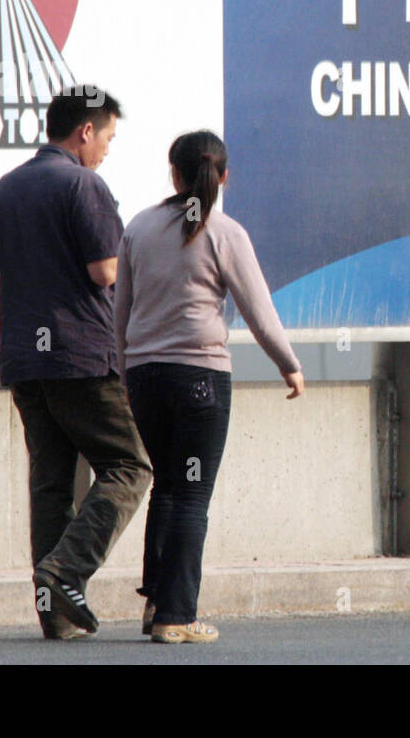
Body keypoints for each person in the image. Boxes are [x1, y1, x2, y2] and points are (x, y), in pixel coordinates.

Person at [115, 130, 304, 643]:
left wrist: (125, 368)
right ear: (223, 176)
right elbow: (258, 311)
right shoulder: (225, 233)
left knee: (169, 487)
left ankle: (157, 605)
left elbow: (121, 311)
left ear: (173, 174)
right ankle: (178, 616)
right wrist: (289, 364)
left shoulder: (138, 228)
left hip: (146, 377)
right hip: (200, 379)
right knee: (191, 495)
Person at [0, 85, 152, 640]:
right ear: (85, 131)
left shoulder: (6, 188)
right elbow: (107, 270)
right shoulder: (84, 184)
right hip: (78, 353)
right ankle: (63, 572)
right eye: (106, 137)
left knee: (51, 484)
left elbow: (3, 266)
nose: (106, 149)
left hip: (24, 361)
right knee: (130, 466)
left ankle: (54, 615)